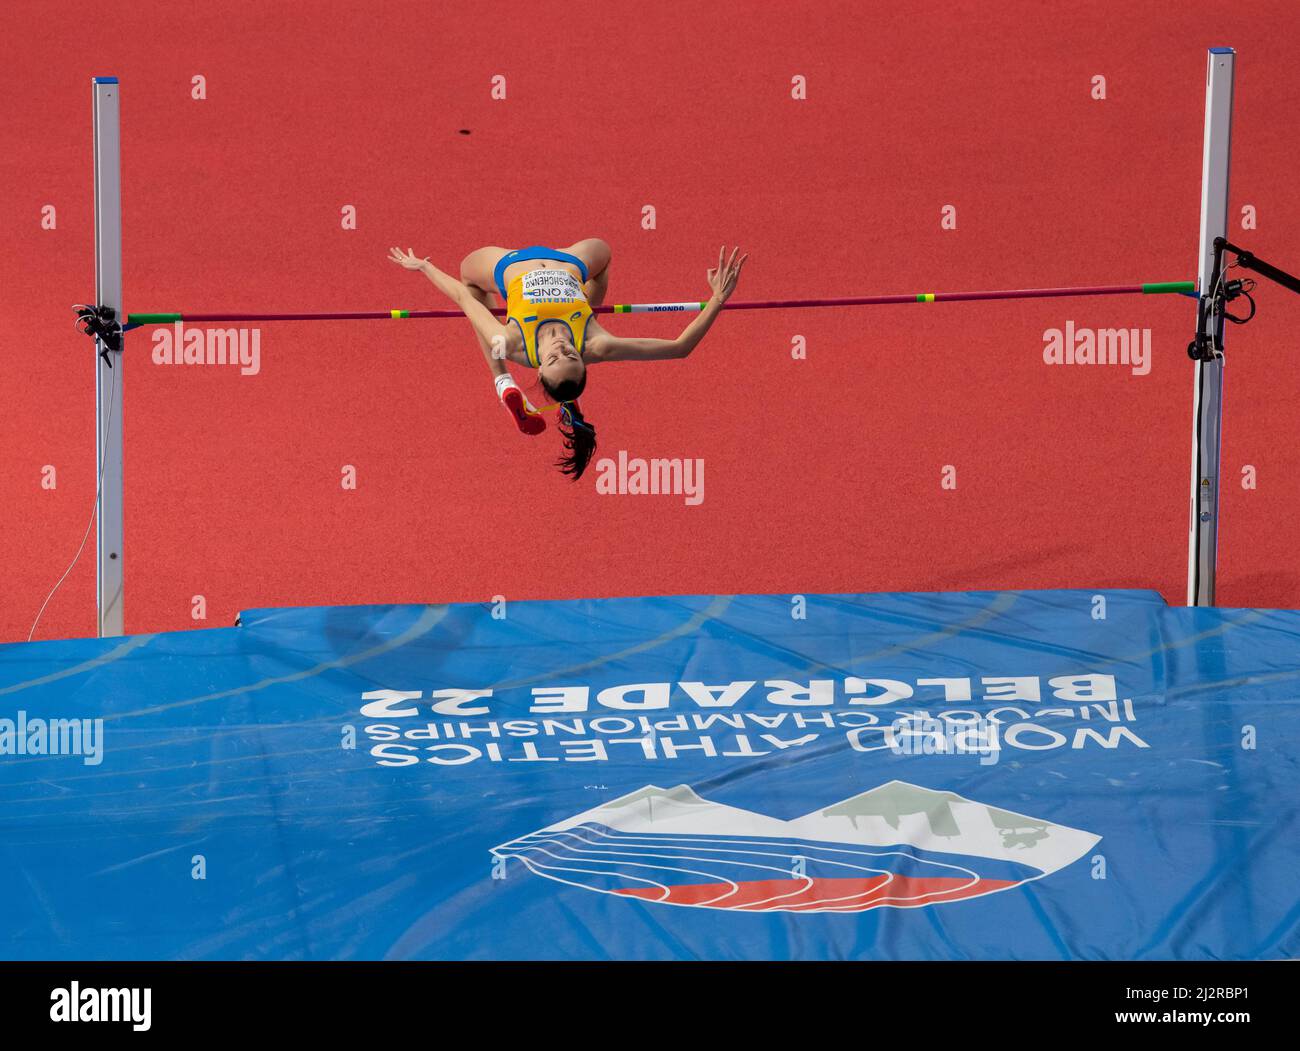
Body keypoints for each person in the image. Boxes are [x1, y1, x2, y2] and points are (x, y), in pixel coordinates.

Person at [388, 241, 747, 478]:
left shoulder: (512, 339)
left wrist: (422, 267)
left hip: (507, 264)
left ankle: (503, 382)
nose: (562, 346)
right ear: (584, 357)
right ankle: (577, 316)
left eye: (555, 356)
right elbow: (679, 348)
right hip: (570, 260)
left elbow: (465, 300)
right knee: (603, 252)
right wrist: (717, 298)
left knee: (471, 282)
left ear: (539, 368)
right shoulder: (596, 344)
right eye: (570, 353)